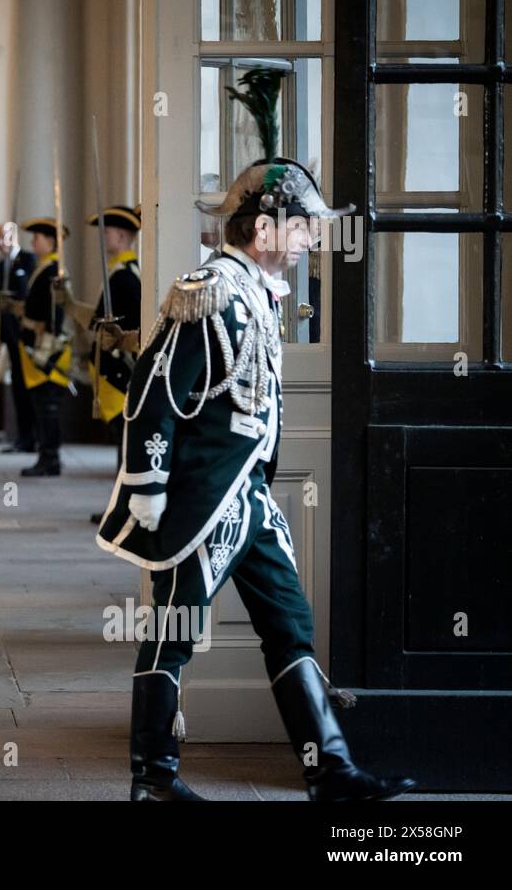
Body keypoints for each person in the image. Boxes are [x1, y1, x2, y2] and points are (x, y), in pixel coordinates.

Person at [97, 157, 417, 802]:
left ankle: (331, 772)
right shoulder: (209, 288)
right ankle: (153, 780)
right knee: (174, 631)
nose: (307, 243)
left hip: (250, 497)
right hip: (201, 499)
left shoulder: (256, 293)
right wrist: (148, 481)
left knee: (290, 625)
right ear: (265, 227)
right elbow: (153, 390)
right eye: (301, 229)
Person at [86, 203, 142, 522]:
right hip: (116, 370)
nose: (103, 238)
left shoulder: (125, 277)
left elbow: (135, 323)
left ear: (121, 236)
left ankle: (124, 509)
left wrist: (115, 337)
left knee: (125, 443)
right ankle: (121, 505)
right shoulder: (119, 273)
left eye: (107, 232)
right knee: (122, 442)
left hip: (122, 371)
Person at [14, 218, 73, 477]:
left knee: (48, 406)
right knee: (41, 405)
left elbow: (56, 314)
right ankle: (45, 454)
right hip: (35, 345)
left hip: (48, 349)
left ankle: (50, 458)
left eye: (37, 237)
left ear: (50, 242)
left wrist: (47, 346)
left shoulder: (53, 271)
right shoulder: (44, 268)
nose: (33, 242)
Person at [0, 221, 36, 454]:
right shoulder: (0, 268)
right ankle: (24, 437)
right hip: (10, 335)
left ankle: (37, 437)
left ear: (14, 236)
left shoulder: (29, 261)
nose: (0, 242)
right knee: (18, 385)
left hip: (29, 336)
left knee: (32, 387)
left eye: (4, 237)